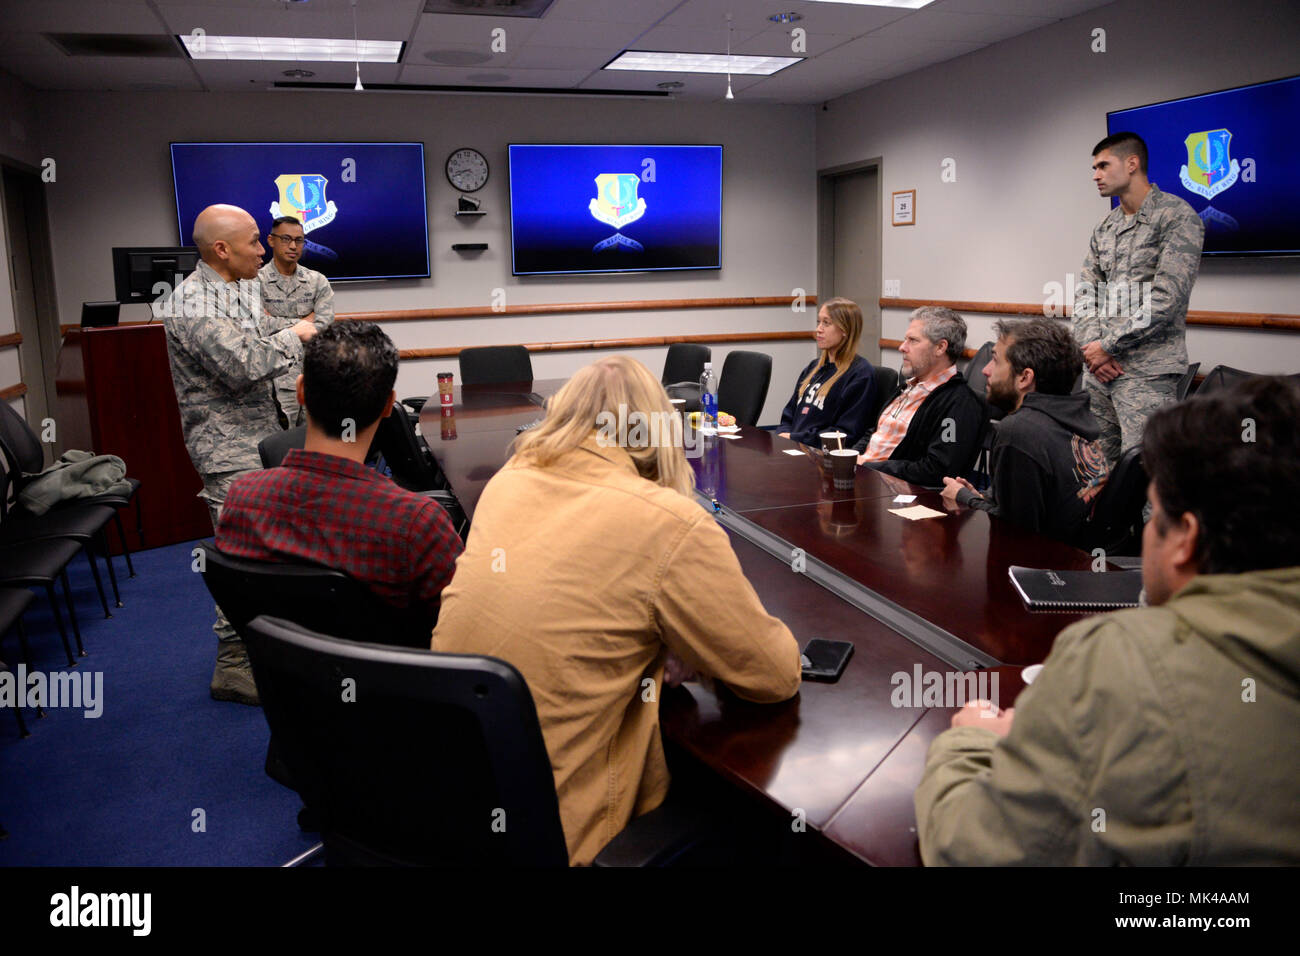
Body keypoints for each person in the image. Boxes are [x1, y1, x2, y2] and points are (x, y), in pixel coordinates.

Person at [431, 356, 802, 865]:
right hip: (565, 834)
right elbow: (774, 674)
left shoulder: (508, 482)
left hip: (454, 802)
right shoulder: (669, 522)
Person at [915, 376, 1300, 865]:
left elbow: (967, 849)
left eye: (1154, 516)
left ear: (1184, 539)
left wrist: (970, 742)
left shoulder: (1120, 657)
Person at [157, 203, 318, 706]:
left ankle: (276, 649)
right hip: (227, 448)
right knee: (241, 556)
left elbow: (260, 335)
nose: (262, 248)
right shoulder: (189, 303)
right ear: (221, 250)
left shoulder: (245, 286)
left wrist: (283, 334)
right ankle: (233, 665)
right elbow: (243, 363)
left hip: (269, 432)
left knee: (279, 549)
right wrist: (298, 334)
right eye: (254, 240)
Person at [216, 322, 461, 620]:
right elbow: (461, 627)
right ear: (388, 406)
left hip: (282, 665)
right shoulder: (418, 524)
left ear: (301, 391)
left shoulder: (242, 499)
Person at [1075, 131, 1205, 466]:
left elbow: (1166, 298)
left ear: (1132, 163)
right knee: (1094, 474)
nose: (1095, 175)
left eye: (1103, 165)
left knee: (1148, 475)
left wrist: (1109, 346)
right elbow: (1086, 293)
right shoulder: (1105, 227)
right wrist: (1093, 351)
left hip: (1147, 375)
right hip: (1099, 372)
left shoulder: (1176, 216)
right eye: (1094, 167)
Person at [941, 318, 1109, 546]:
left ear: (1025, 378)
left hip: (1044, 570)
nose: (985, 370)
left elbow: (1015, 535)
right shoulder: (1072, 418)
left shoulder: (1020, 431)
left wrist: (964, 497)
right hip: (1080, 563)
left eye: (995, 361)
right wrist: (987, 498)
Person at [854, 306, 985, 488]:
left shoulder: (959, 404)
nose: (902, 347)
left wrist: (870, 467)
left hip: (893, 493)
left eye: (913, 341)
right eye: (905, 339)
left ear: (940, 347)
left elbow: (939, 468)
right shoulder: (907, 386)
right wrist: (850, 457)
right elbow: (876, 431)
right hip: (864, 477)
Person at [259, 215, 336, 427]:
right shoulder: (255, 281)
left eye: (299, 240)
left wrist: (278, 322)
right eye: (285, 239)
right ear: (271, 240)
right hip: (277, 380)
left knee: (318, 444)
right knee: (282, 445)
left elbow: (323, 326)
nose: (293, 246)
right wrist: (303, 323)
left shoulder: (317, 281)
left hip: (315, 377)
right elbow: (260, 327)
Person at [777, 297, 877, 447]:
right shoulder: (813, 367)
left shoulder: (860, 374)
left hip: (822, 457)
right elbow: (788, 415)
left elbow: (844, 433)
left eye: (826, 323)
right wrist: (784, 436)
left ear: (845, 330)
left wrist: (795, 438)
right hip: (794, 447)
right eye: (819, 322)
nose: (819, 329)